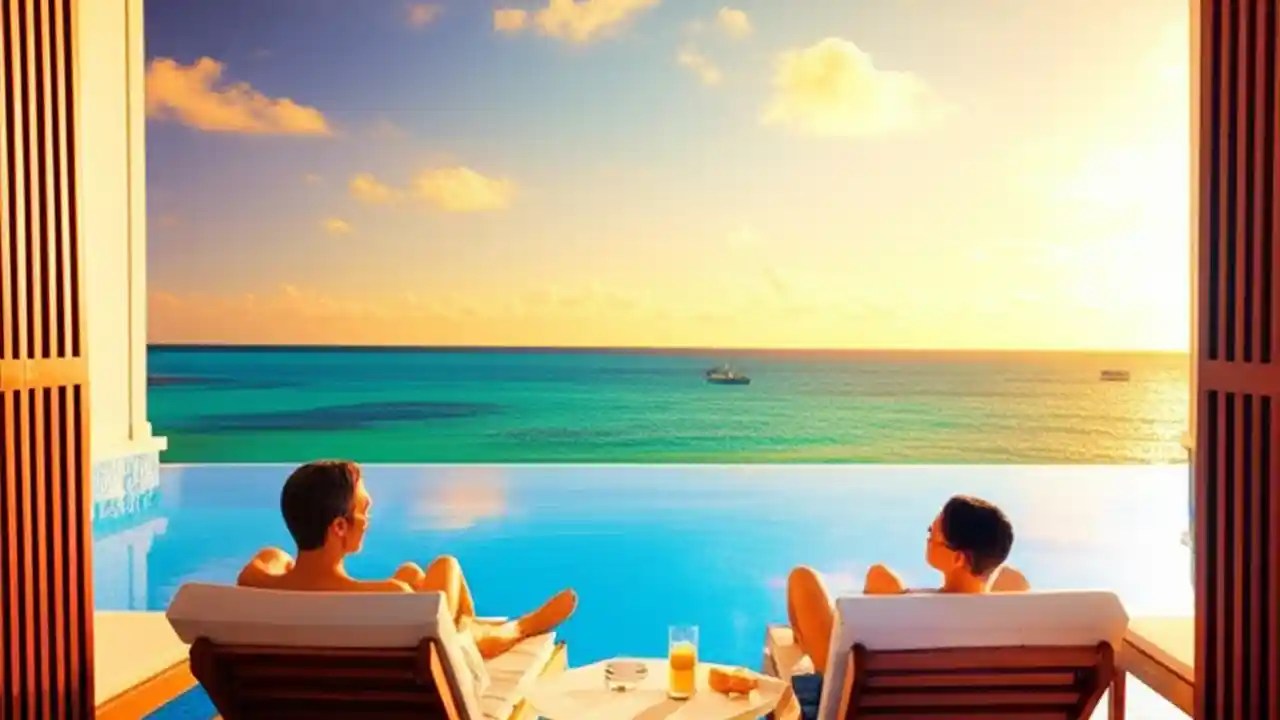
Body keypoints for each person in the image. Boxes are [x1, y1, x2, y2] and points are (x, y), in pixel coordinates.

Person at [237, 459, 578, 658]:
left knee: (415, 572)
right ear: (339, 526)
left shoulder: (257, 585)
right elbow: (447, 657)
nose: (368, 519)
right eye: (364, 510)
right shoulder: (392, 598)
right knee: (448, 586)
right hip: (404, 688)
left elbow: (268, 562)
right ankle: (523, 625)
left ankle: (463, 620)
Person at [786, 494, 1030, 673]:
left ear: (957, 558)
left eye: (931, 536)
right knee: (1013, 579)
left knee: (803, 578)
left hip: (875, 705)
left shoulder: (896, 601)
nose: (928, 538)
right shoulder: (1018, 615)